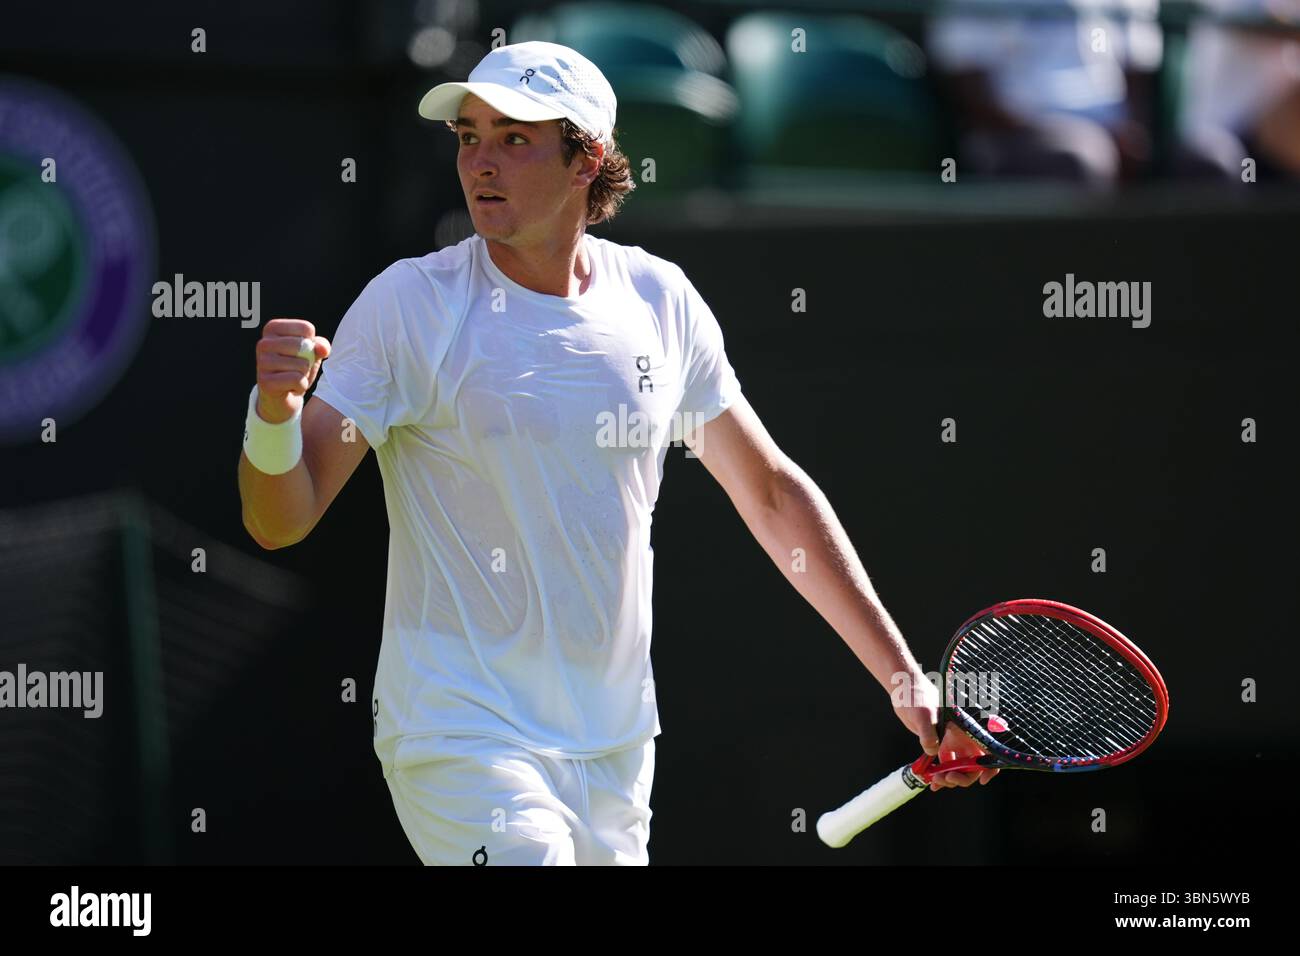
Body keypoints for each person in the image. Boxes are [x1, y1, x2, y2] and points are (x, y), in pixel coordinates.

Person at [236, 40, 996, 866]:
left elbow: (772, 495)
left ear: (585, 161)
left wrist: (905, 679)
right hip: (461, 733)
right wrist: (274, 415)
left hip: (617, 749)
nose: (479, 163)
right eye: (468, 136)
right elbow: (283, 519)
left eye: (513, 139)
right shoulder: (410, 307)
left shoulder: (660, 301)